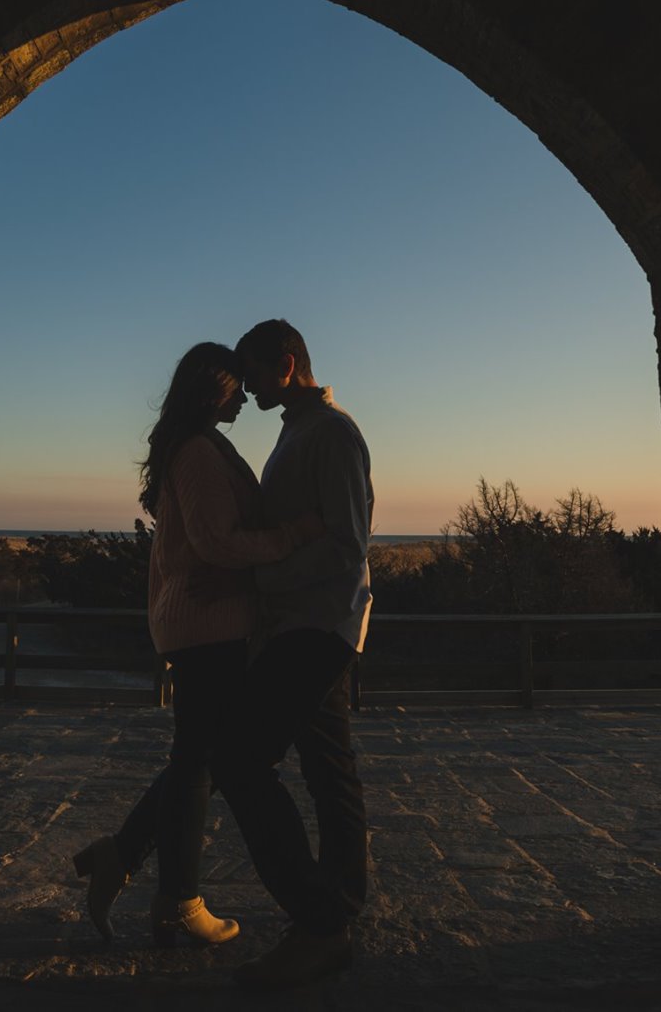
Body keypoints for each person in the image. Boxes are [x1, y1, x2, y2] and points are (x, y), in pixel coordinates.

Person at [72, 342, 324, 946]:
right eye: (235, 385)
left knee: (201, 758)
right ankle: (175, 900)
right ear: (214, 388)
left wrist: (243, 567)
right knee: (199, 761)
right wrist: (294, 535)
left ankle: (127, 859)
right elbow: (219, 542)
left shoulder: (200, 445)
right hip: (208, 627)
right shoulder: (197, 453)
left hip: (209, 623)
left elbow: (220, 546)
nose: (244, 396)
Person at [211, 318, 374, 991]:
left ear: (286, 363)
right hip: (305, 625)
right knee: (328, 767)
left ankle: (319, 922)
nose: (245, 389)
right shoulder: (299, 430)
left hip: (316, 625)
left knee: (241, 761)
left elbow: (346, 544)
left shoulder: (331, 433)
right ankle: (335, 909)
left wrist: (263, 580)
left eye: (252, 372)